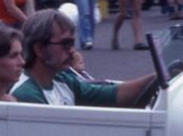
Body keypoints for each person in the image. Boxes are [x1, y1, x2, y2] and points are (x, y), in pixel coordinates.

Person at [12, 9, 154, 106]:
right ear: (40, 49)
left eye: (72, 43)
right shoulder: (28, 94)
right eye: (66, 44)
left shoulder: (62, 79)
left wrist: (158, 76)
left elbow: (115, 95)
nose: (73, 51)